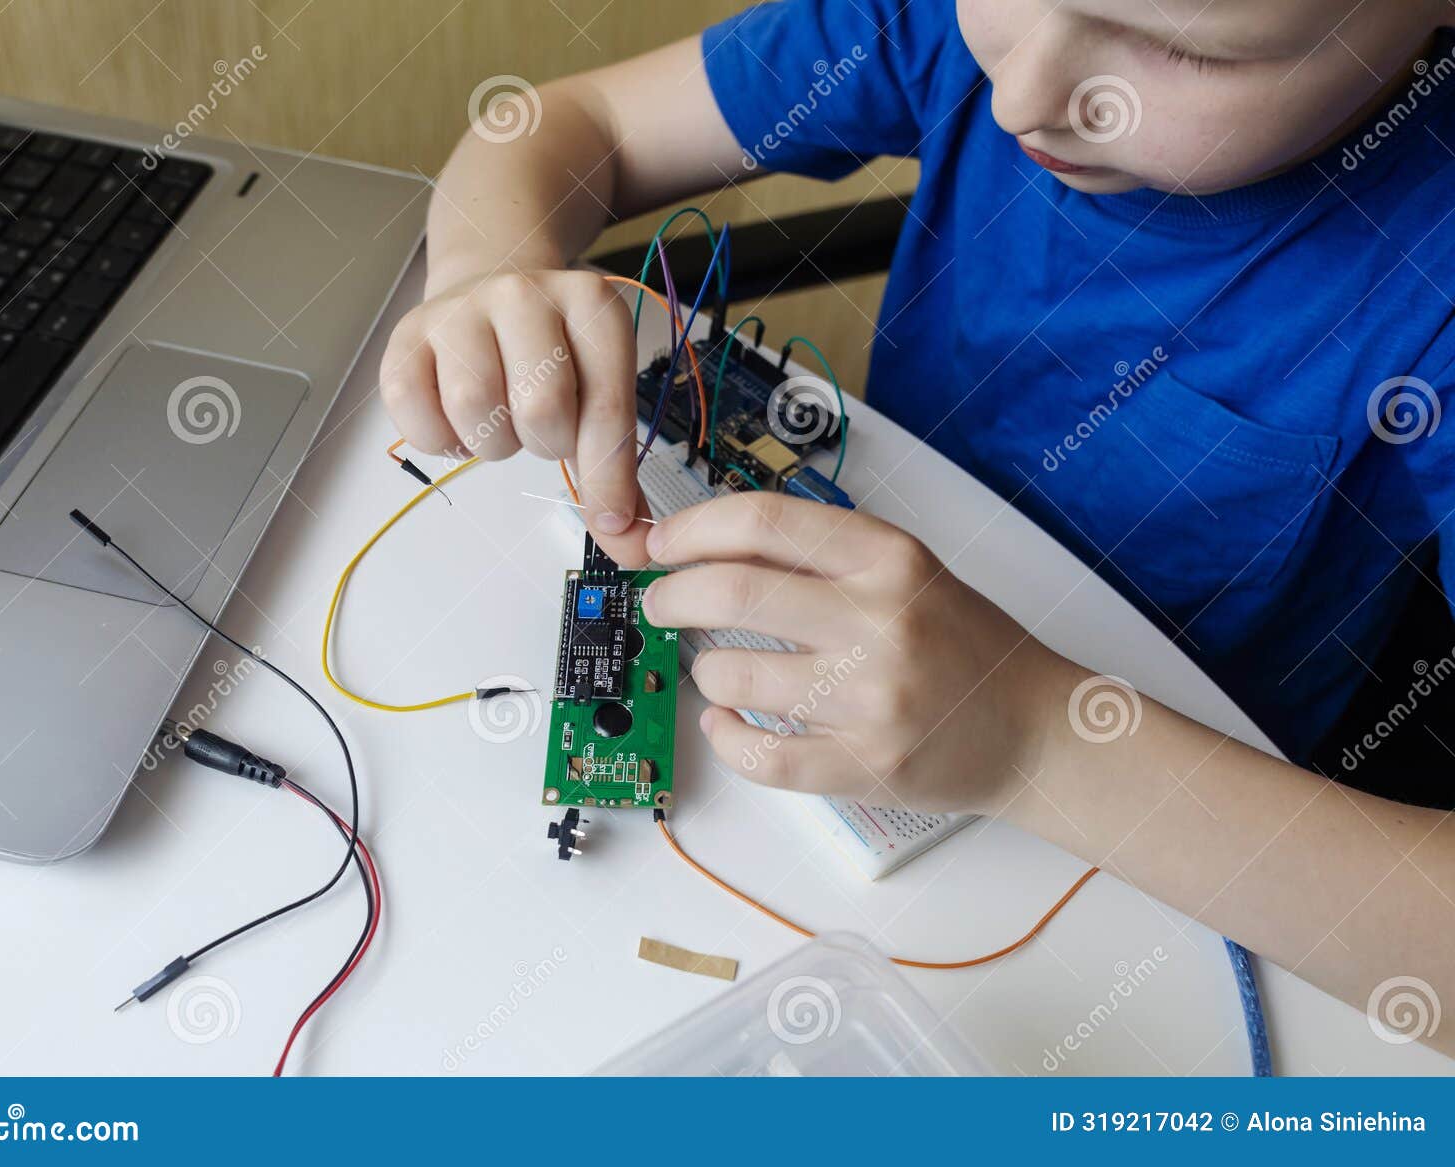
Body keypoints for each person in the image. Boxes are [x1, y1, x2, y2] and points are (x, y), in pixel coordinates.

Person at [379, 0, 1455, 1058]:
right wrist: (486, 276)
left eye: (1180, 50)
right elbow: (567, 126)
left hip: (1172, 853)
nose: (1024, 96)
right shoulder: (943, 23)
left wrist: (1038, 742)